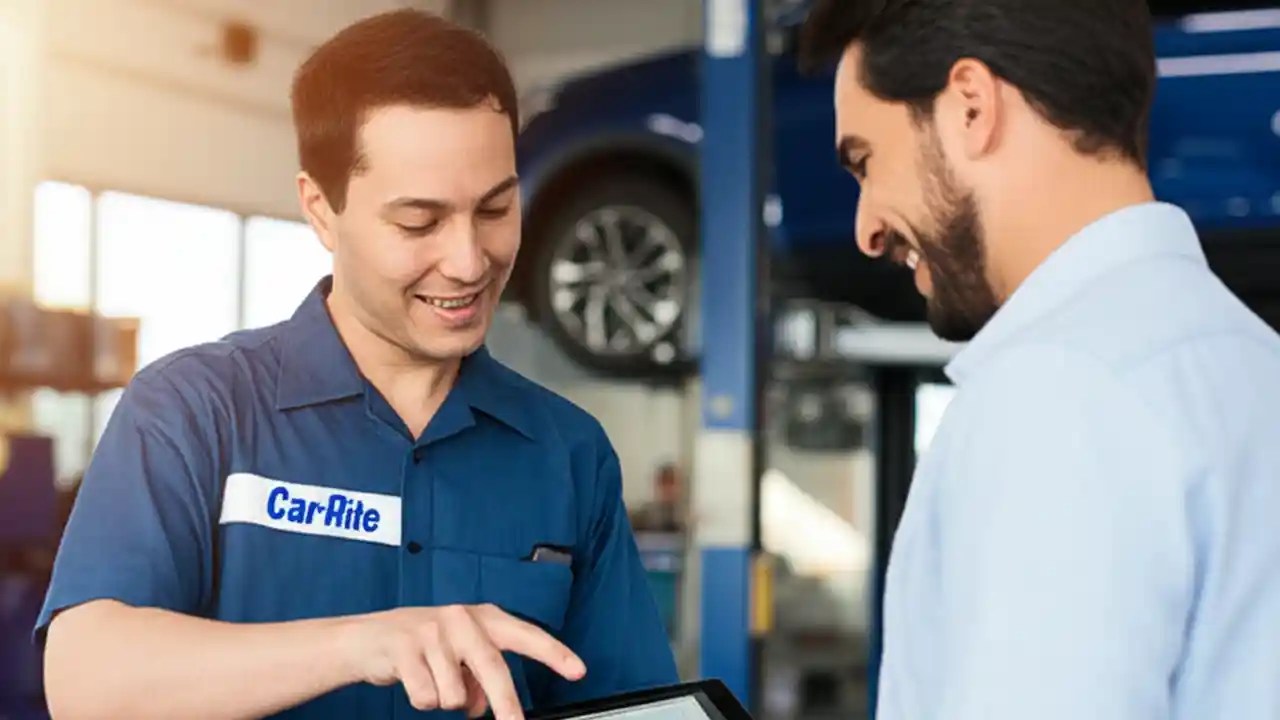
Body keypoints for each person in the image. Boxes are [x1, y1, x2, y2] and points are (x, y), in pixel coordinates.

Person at [36, 9, 678, 719]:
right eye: (418, 223)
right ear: (320, 208)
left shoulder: (569, 455)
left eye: (495, 209)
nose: (469, 261)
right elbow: (85, 684)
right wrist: (359, 646)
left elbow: (631, 704)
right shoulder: (195, 412)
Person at [799, 1, 1280, 718]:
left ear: (970, 105)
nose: (866, 227)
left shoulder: (1053, 396)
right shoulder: (1251, 364)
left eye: (867, 163)